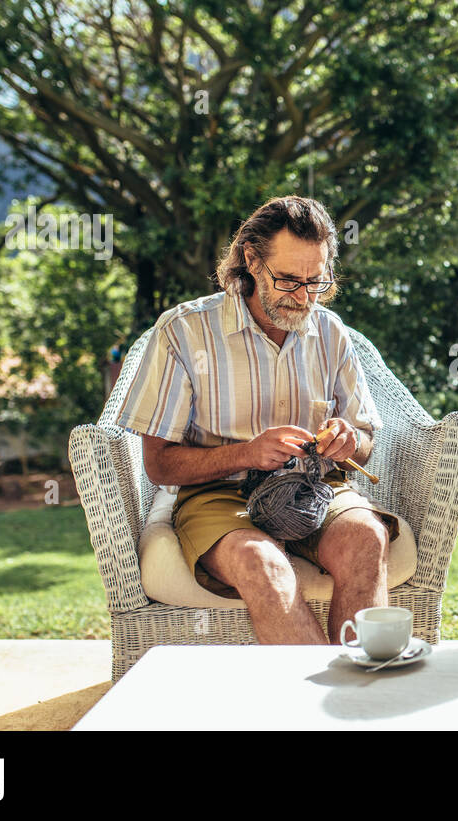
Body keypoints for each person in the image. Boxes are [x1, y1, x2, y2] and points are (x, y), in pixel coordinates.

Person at [114, 195, 396, 645]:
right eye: (287, 280)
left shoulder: (330, 332)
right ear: (251, 259)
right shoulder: (183, 332)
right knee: (262, 564)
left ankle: (353, 700)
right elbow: (160, 465)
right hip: (220, 496)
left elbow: (365, 438)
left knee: (366, 537)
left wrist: (349, 439)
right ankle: (321, 714)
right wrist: (247, 453)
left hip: (313, 488)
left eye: (315, 282)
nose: (304, 297)